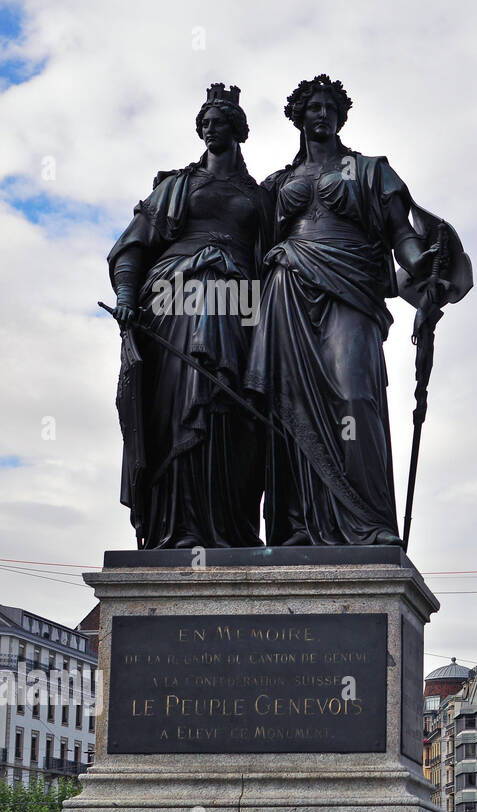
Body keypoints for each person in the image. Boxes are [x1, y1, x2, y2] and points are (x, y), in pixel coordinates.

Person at [245, 74, 471, 546]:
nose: (322, 114)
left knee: (354, 396)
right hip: (288, 284)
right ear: (299, 117)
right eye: (313, 107)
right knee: (290, 408)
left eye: (330, 107)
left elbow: (402, 235)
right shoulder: (278, 183)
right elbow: (249, 245)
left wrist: (421, 266)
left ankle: (367, 523)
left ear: (341, 116)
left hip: (350, 288)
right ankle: (299, 526)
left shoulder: (369, 170)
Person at [109, 83, 270, 548]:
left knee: (231, 409)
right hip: (173, 298)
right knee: (181, 405)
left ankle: (228, 527)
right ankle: (177, 526)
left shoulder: (259, 198)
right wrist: (125, 295)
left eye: (219, 121)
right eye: (204, 123)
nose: (210, 128)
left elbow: (276, 258)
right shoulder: (177, 186)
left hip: (240, 306)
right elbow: (132, 245)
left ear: (238, 129)